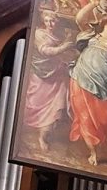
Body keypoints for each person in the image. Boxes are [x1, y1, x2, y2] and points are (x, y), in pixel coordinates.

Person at [68, 0, 107, 165]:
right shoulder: (92, 36)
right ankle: (93, 152)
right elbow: (80, 19)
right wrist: (93, 3)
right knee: (85, 116)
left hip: (105, 86)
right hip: (81, 79)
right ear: (105, 23)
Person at [23, 10, 74, 152]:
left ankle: (43, 136)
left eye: (53, 21)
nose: (50, 24)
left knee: (56, 105)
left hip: (57, 75)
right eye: (47, 21)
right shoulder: (39, 34)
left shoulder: (59, 34)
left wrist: (67, 42)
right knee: (38, 104)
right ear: (43, 21)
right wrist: (64, 46)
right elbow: (45, 51)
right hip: (42, 74)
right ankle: (41, 137)